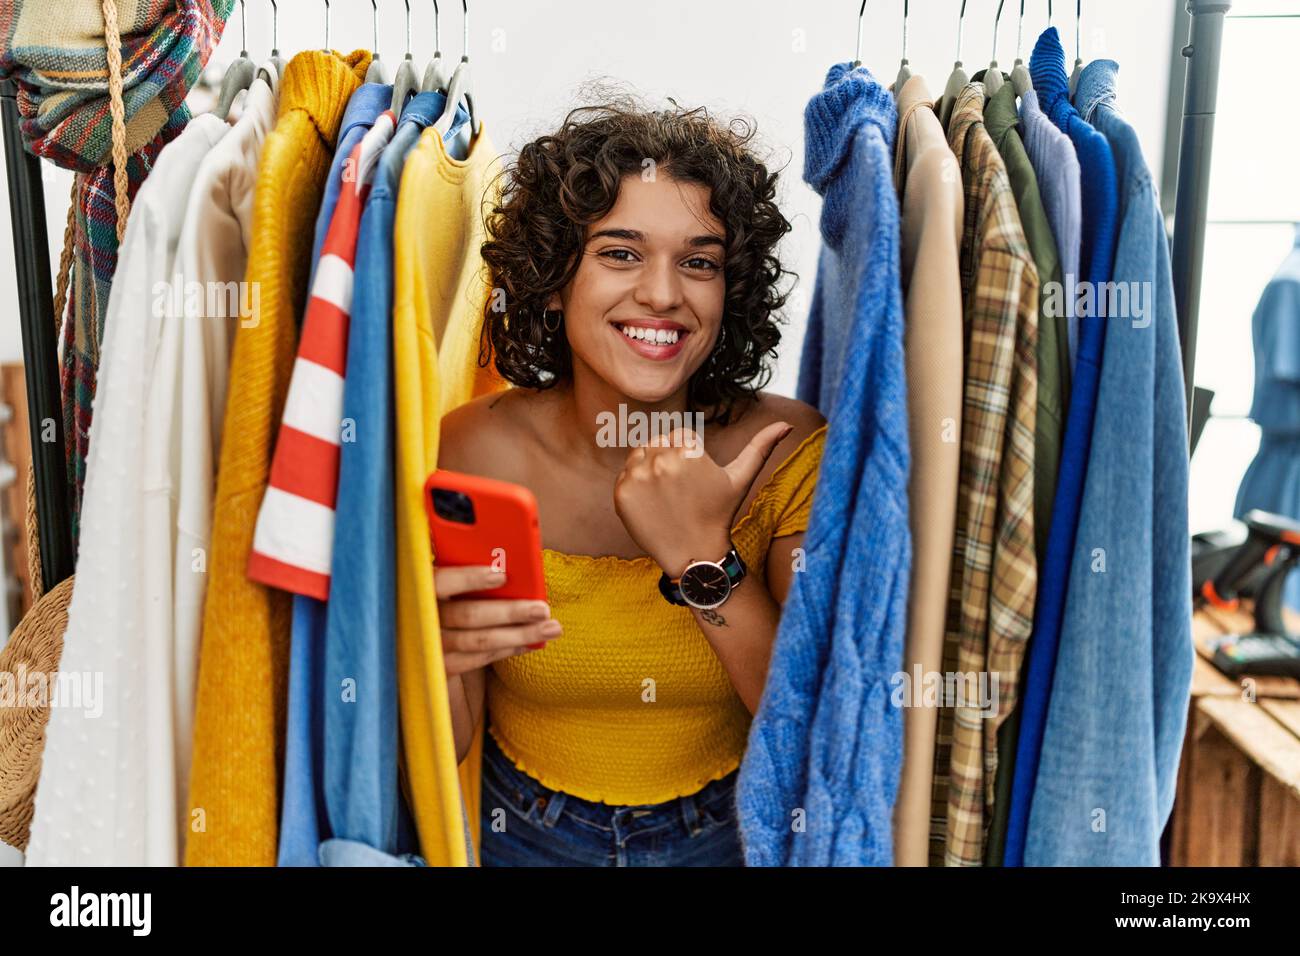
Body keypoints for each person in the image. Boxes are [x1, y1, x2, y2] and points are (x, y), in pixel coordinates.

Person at [436, 89, 828, 866]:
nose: (662, 294)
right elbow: (447, 741)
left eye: (699, 262)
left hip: (726, 834)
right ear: (553, 280)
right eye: (620, 252)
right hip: (520, 830)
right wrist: (436, 657)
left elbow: (811, 733)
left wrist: (701, 559)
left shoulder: (787, 447)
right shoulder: (471, 449)